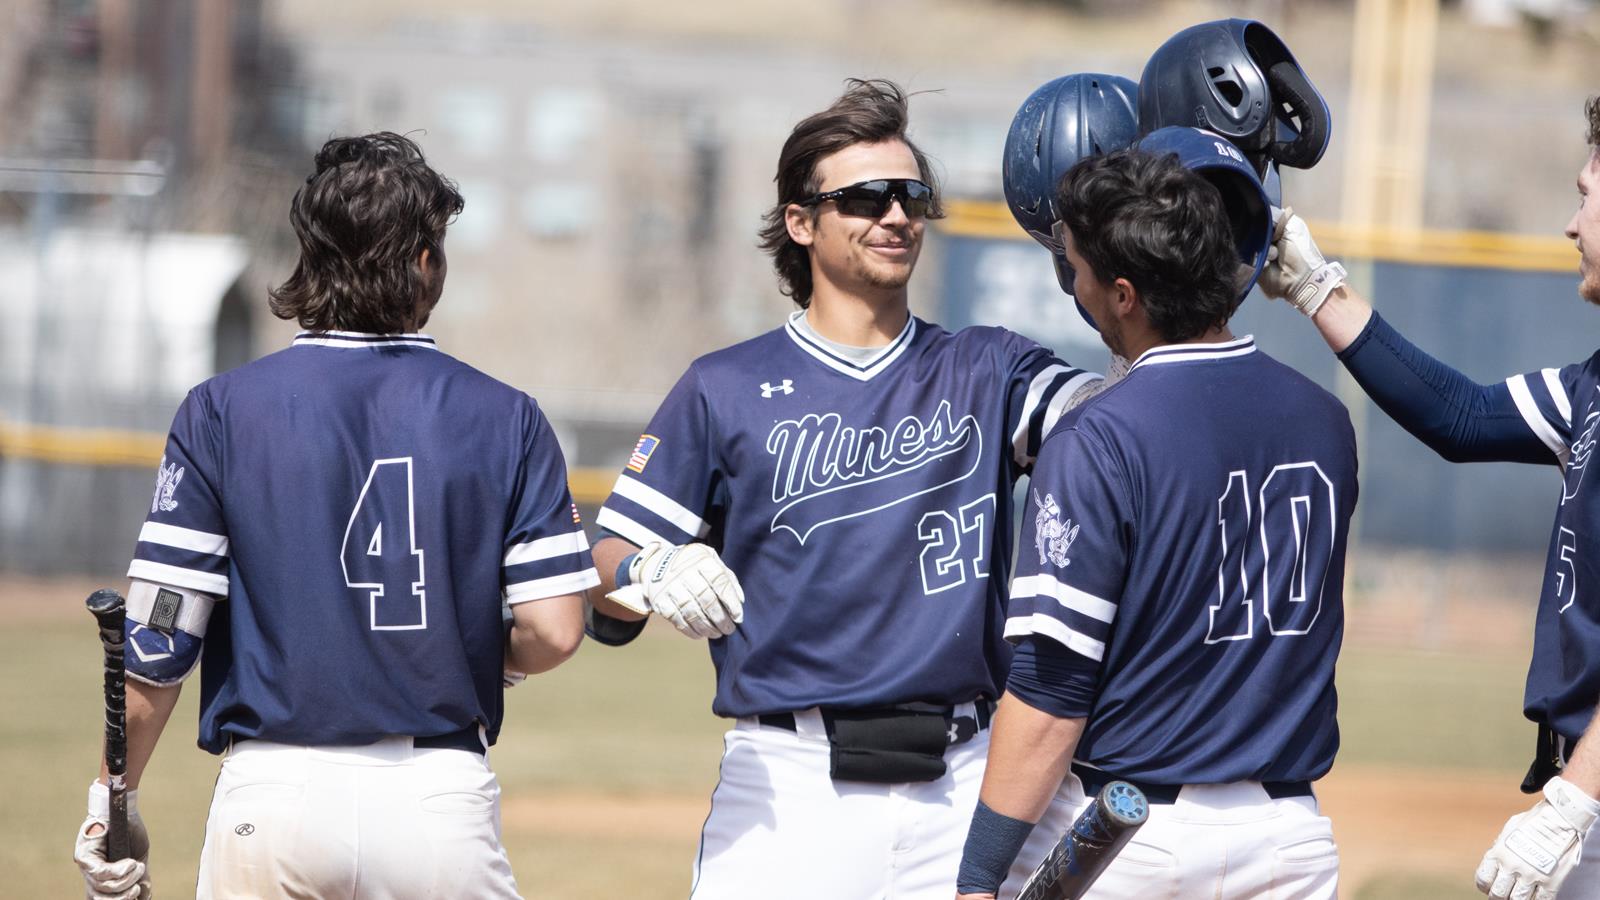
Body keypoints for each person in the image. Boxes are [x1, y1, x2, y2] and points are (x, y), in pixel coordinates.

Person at [583, 79, 1105, 899]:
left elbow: (1122, 422)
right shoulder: (726, 386)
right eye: (865, 197)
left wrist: (1161, 265)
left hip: (965, 780)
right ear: (801, 222)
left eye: (911, 196)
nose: (896, 216)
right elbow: (605, 567)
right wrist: (644, 574)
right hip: (786, 787)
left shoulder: (989, 366)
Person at [72, 132, 595, 899]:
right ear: (426, 263)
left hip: (273, 794)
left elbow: (159, 638)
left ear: (308, 257)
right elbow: (554, 630)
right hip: (438, 795)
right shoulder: (507, 415)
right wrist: (471, 648)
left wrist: (114, 798)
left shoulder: (221, 409)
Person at [955, 135, 1357, 900]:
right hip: (1292, 844)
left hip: (1132, 843)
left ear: (1126, 294)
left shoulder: (1099, 437)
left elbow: (1050, 693)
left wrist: (979, 877)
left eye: (1075, 270)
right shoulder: (1325, 419)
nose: (1074, 287)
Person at [1256, 98, 1600, 900]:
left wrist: (1577, 798)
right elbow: (1463, 415)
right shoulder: (1592, 385)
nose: (1572, 224)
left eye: (1586, 194)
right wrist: (1315, 286)